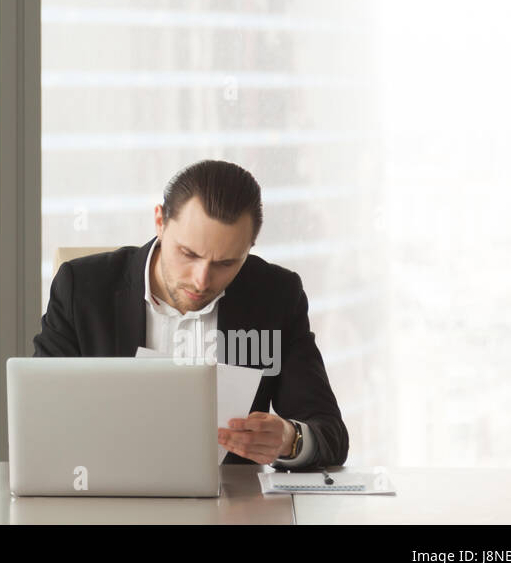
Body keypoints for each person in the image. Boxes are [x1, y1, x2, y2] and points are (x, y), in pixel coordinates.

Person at [34, 159, 349, 470]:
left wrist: (288, 439)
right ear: (160, 222)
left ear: (250, 247)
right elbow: (42, 415)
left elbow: (330, 434)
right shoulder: (82, 289)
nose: (202, 280)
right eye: (189, 254)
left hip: (230, 511)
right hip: (101, 496)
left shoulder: (276, 296)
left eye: (226, 263)